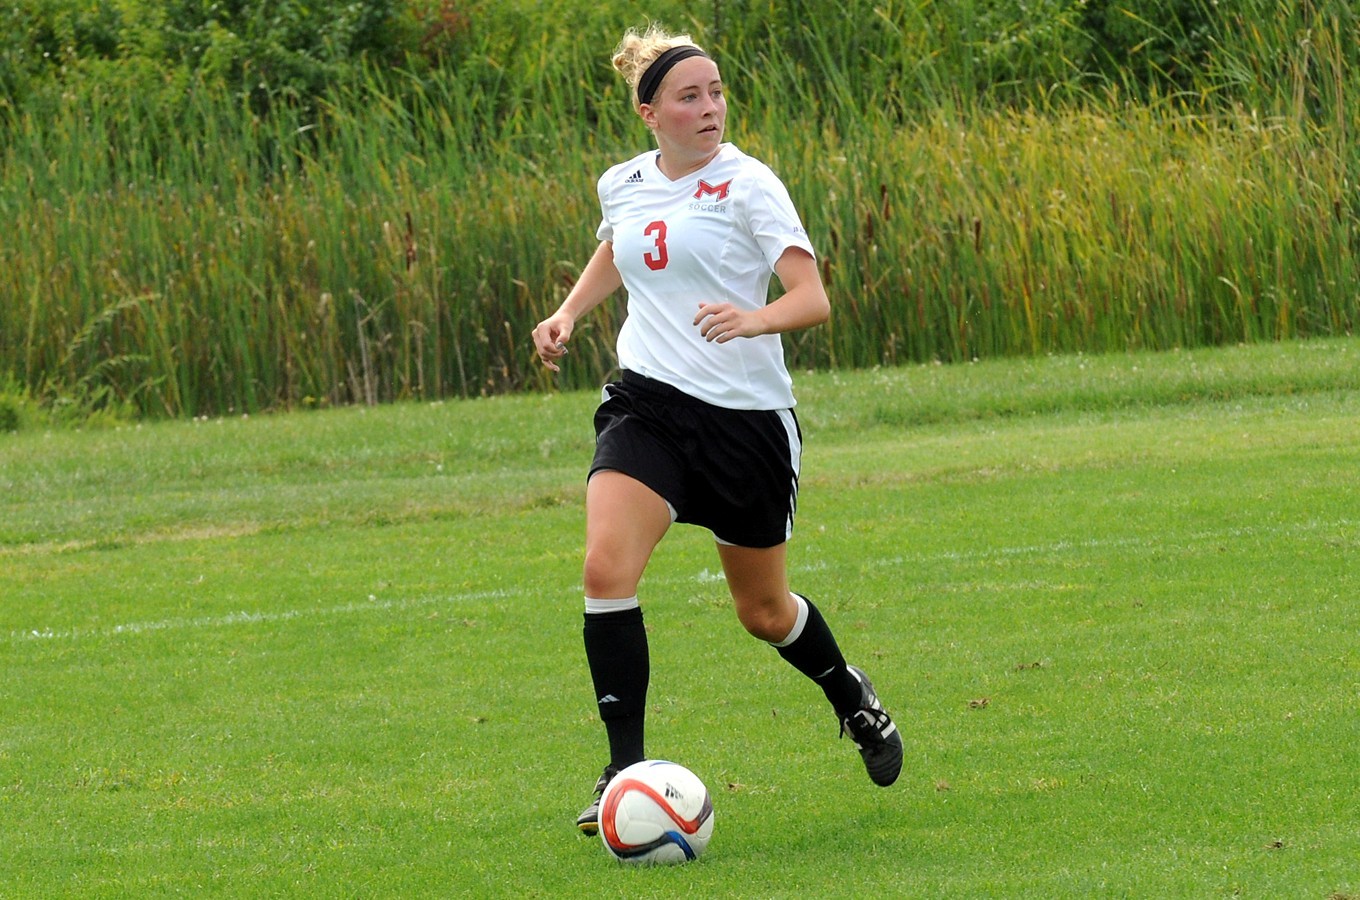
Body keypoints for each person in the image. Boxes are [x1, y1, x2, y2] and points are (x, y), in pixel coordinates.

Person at [530, 23, 903, 835]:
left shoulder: (748, 185)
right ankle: (623, 770)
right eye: (689, 97)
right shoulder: (621, 183)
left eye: (717, 92)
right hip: (648, 406)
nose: (710, 109)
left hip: (744, 426)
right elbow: (619, 251)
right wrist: (565, 313)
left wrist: (754, 317)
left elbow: (812, 298)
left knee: (764, 613)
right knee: (604, 569)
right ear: (649, 112)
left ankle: (850, 694)